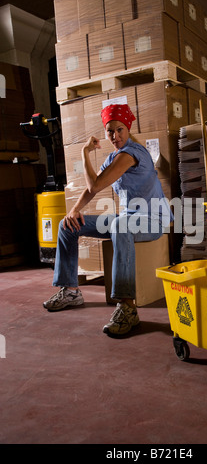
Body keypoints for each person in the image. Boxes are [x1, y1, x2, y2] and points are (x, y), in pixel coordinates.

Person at [43, 104, 173, 336]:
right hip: (127, 218)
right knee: (69, 226)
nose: (115, 136)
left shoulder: (131, 154)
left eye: (120, 129)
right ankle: (71, 291)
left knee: (120, 225)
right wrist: (73, 210)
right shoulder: (114, 157)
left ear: (128, 128)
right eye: (110, 131)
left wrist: (84, 153)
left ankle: (127, 307)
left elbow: (95, 184)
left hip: (153, 219)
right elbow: (92, 190)